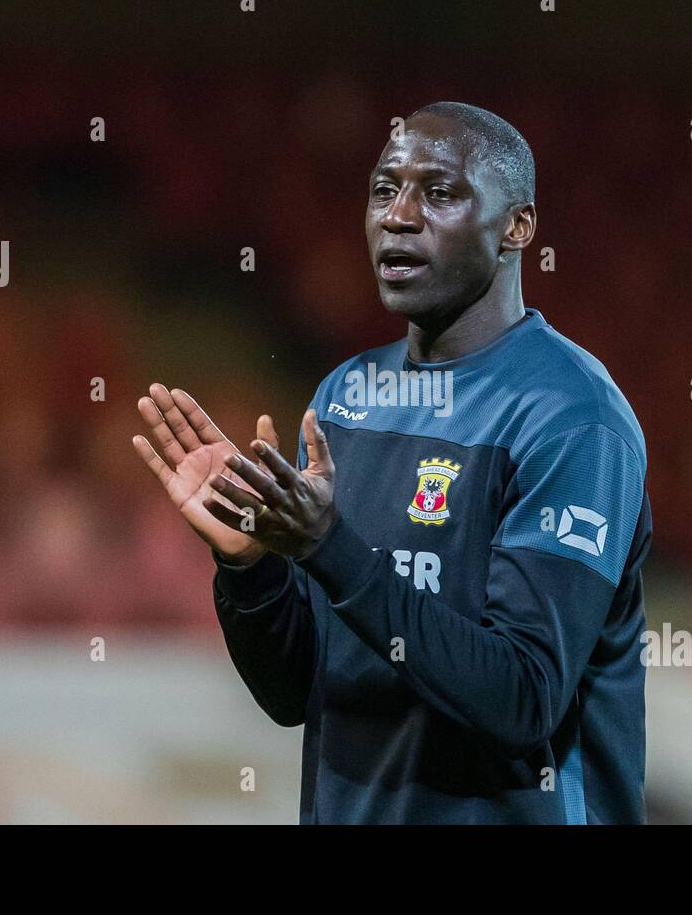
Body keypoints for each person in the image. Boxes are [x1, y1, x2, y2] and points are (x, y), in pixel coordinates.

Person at [132, 102, 652, 823]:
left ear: (517, 227)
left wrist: (327, 547)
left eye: (439, 193)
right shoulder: (347, 400)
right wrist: (251, 569)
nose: (398, 217)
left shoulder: (571, 417)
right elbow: (294, 695)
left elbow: (522, 698)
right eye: (384, 190)